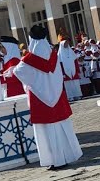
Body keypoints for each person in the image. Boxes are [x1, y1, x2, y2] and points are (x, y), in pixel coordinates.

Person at [12, 25, 83, 170]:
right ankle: (67, 156)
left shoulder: (28, 59)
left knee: (45, 131)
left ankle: (53, 160)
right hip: (56, 96)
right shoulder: (53, 54)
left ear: (31, 39)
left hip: (40, 99)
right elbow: (56, 75)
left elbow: (17, 72)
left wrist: (33, 82)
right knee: (61, 127)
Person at [58, 36, 84, 101]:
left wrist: (77, 70)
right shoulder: (59, 54)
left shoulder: (71, 52)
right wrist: (62, 73)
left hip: (73, 71)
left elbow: (75, 61)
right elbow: (59, 64)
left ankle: (77, 95)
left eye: (67, 44)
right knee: (68, 85)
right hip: (65, 72)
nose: (66, 45)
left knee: (75, 83)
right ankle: (70, 96)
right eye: (65, 44)